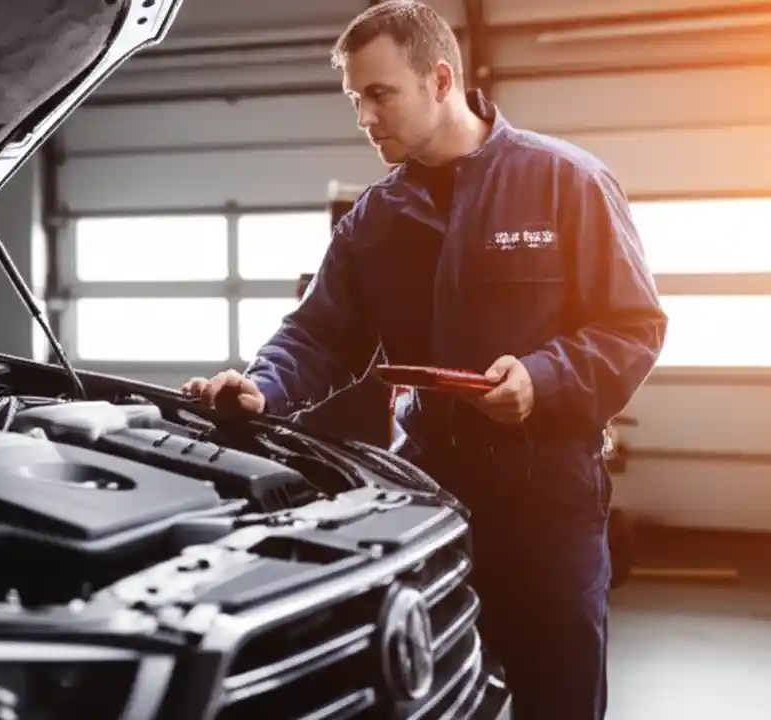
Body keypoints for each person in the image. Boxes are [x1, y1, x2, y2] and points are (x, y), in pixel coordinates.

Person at [182, 2, 667, 718]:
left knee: (557, 692)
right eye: (355, 99)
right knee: (430, 691)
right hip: (430, 491)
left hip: (546, 495)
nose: (364, 118)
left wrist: (542, 379)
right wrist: (261, 387)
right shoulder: (375, 219)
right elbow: (318, 333)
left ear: (441, 81)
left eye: (380, 95)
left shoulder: (567, 181)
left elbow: (632, 327)